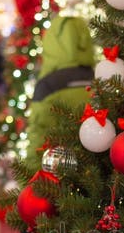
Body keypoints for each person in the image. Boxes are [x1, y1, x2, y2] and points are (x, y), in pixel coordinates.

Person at [26, 15, 96, 166]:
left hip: (59, 171)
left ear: (52, 43)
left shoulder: (47, 84)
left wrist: (29, 180)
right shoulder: (99, 77)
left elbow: (39, 135)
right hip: (96, 169)